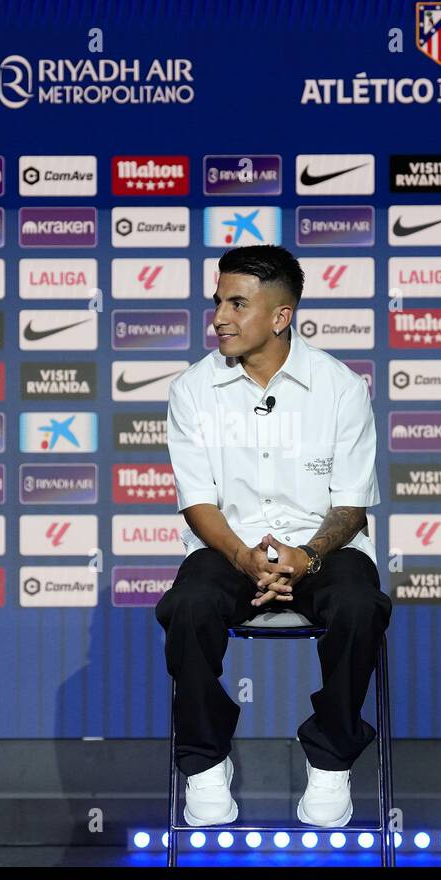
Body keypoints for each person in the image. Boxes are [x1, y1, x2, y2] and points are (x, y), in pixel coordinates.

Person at [154, 243, 393, 828]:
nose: (219, 317)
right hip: (227, 551)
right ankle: (206, 762)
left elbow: (351, 507)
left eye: (237, 303)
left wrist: (304, 556)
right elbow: (198, 502)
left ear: (281, 316)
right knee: (186, 605)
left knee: (361, 604)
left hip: (323, 551)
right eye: (218, 302)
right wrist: (243, 556)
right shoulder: (192, 389)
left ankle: (332, 759)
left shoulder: (340, 388)